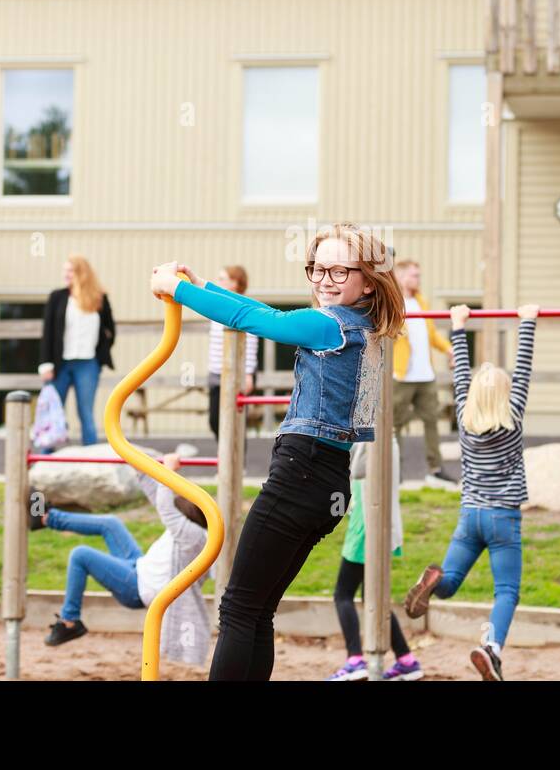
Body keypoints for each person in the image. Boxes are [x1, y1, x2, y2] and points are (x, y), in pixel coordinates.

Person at [149, 221, 404, 681]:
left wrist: (177, 290)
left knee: (238, 607)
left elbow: (256, 321)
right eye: (317, 269)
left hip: (300, 474)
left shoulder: (329, 325)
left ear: (368, 280)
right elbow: (264, 311)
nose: (325, 280)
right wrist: (203, 286)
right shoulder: (364, 328)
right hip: (329, 481)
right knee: (258, 609)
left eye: (339, 271)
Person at [402, 302, 539, 681]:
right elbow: (523, 368)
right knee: (506, 590)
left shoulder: (464, 416)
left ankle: (432, 581)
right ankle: (490, 647)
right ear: (506, 396)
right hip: (503, 518)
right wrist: (527, 322)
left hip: (470, 516)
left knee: (448, 586)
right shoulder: (512, 416)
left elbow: (461, 371)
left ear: (474, 394)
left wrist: (457, 325)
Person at [34, 452, 211, 667]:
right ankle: (44, 517)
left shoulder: (194, 538)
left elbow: (165, 507)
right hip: (138, 566)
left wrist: (169, 472)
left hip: (137, 588)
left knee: (80, 555)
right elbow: (160, 500)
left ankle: (69, 622)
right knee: (111, 524)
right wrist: (140, 468)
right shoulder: (188, 527)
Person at [326, 437, 423, 681]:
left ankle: (355, 660)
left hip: (365, 524)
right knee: (374, 598)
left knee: (343, 594)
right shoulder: (388, 436)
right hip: (378, 522)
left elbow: (358, 469)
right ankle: (406, 660)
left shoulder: (372, 433)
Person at [38, 255, 115, 446]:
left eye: (70, 271)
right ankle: (46, 455)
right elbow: (48, 332)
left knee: (86, 412)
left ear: (82, 273)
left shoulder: (99, 298)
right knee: (54, 410)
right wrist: (45, 364)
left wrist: (101, 355)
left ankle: (91, 455)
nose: (66, 274)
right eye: (65, 270)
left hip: (88, 363)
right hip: (60, 364)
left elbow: (110, 330)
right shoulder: (57, 297)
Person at [391, 260, 453, 486]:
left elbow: (432, 335)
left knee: (431, 420)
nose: (418, 279)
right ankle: (395, 470)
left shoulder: (421, 301)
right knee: (395, 424)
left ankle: (435, 469)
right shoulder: (393, 303)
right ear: (401, 277)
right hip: (401, 375)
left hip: (425, 374)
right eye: (414, 275)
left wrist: (449, 349)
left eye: (418, 275)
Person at [207, 265, 259, 441]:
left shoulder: (244, 307)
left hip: (238, 371)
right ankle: (223, 454)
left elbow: (251, 341)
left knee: (236, 420)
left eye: (222, 279)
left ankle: (237, 457)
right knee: (215, 420)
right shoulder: (217, 305)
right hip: (217, 370)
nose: (218, 282)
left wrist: (248, 373)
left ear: (235, 283)